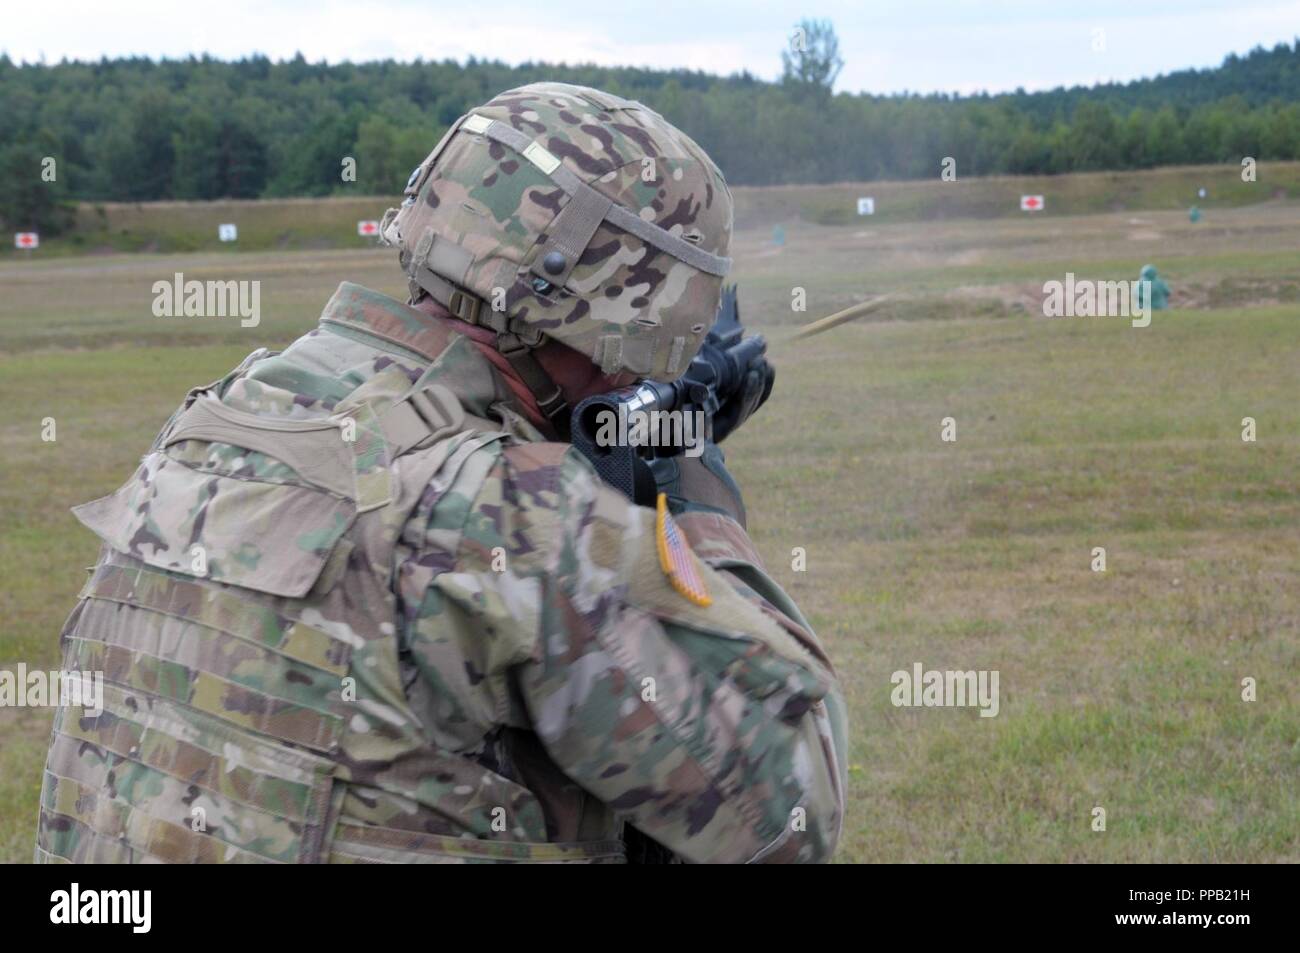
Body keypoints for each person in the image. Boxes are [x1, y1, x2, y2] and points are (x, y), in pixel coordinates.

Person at [35, 82, 847, 864]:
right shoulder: (516, 514)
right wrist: (693, 488)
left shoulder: (211, 423)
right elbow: (790, 811)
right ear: (622, 308)